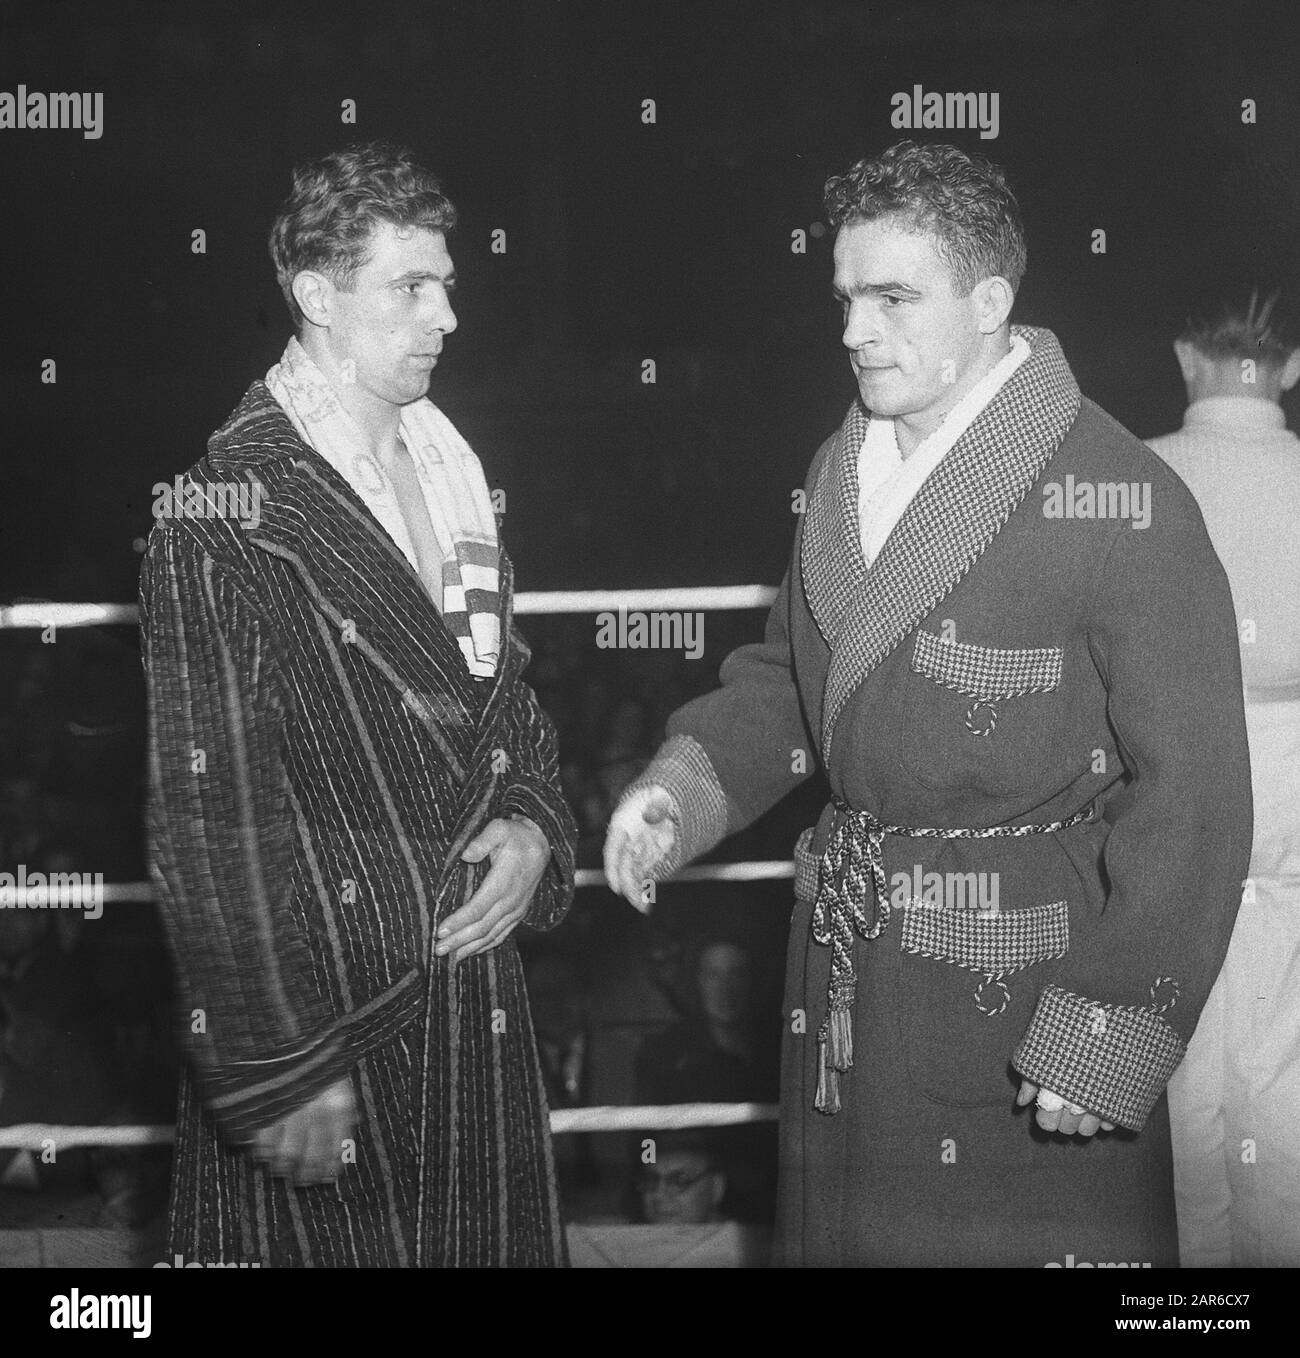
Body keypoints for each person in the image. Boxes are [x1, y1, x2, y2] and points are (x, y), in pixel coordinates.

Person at [605, 140, 1252, 1267]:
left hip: (1025, 991)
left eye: (894, 298)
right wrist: (681, 789)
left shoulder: (1124, 499)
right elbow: (794, 683)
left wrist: (1103, 1032)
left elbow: (1194, 794)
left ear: (990, 301)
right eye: (847, 296)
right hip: (848, 983)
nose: (855, 330)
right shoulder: (841, 467)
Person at [140, 142, 578, 1267]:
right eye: (411, 287)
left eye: (446, 285)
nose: (446, 315)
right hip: (330, 1015)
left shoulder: (452, 469)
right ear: (318, 298)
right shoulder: (220, 510)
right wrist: (276, 1062)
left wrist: (532, 823)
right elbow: (207, 816)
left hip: (473, 987)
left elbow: (506, 700)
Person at [1148, 285, 1300, 1267]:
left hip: (1178, 769)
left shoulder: (1141, 478)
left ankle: (1210, 1286)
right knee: (1284, 1038)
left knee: (1193, 1042)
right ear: (1289, 368)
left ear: (1181, 356)